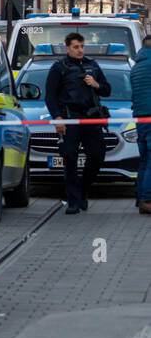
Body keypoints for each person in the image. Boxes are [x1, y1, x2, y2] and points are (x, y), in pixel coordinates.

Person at [45, 31, 112, 214]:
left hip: (91, 118)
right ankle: (73, 202)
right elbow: (50, 96)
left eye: (82, 46)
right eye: (76, 47)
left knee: (97, 156)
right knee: (70, 159)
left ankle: (81, 190)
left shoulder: (93, 65)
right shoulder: (59, 67)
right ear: (68, 48)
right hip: (69, 119)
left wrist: (96, 84)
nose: (80, 50)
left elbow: (107, 90)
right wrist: (57, 118)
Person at [130, 35, 151, 214]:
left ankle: (140, 198)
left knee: (144, 160)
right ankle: (147, 198)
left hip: (140, 117)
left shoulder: (136, 66)